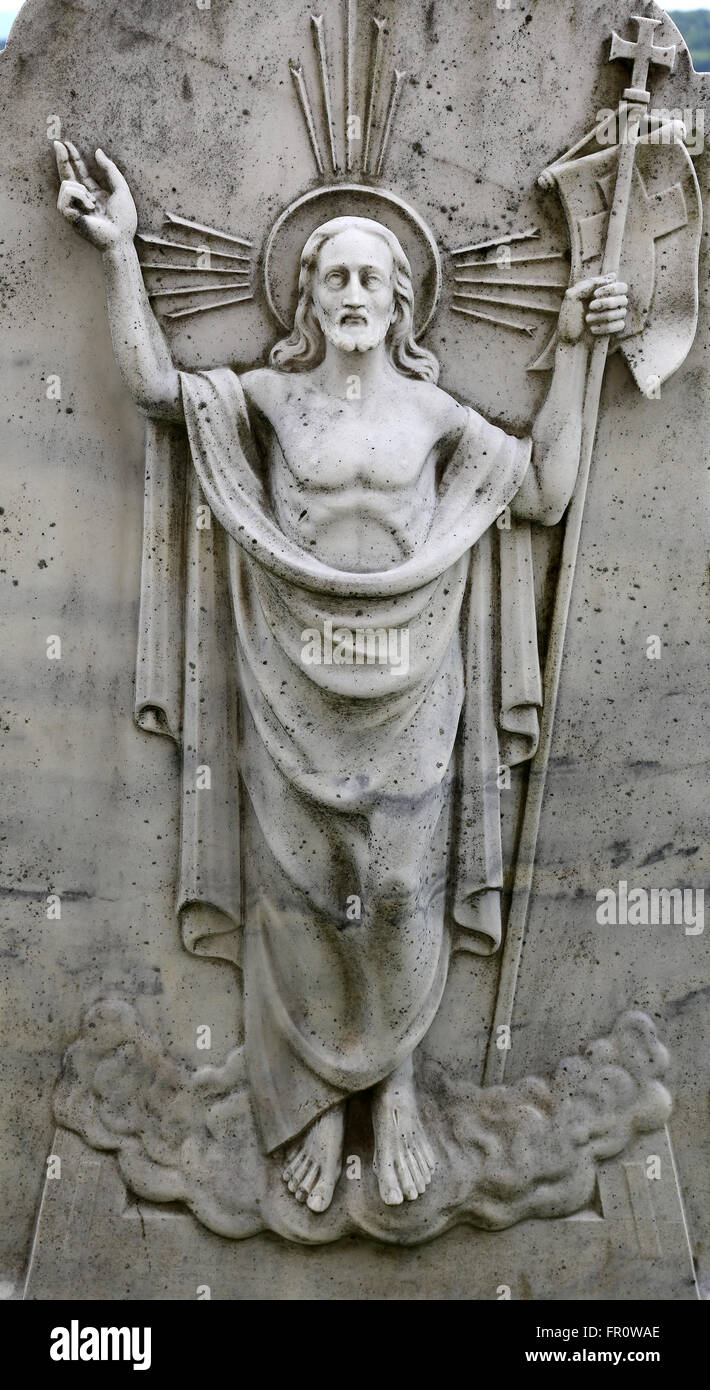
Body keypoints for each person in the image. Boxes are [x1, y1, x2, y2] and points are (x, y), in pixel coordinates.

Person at [55, 140, 628, 1214]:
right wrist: (121, 250)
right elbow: (148, 387)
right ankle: (314, 1095)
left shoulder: (434, 415)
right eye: (335, 276)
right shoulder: (267, 398)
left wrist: (573, 347)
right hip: (292, 682)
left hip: (411, 682)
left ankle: (397, 1084)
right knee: (303, 889)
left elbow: (544, 491)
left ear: (402, 298)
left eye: (372, 275)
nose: (354, 291)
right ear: (306, 297)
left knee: (400, 887)